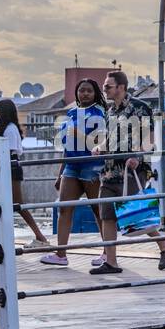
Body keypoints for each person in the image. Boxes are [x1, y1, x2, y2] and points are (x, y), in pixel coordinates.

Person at [92, 70, 165, 274]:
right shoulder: (110, 111)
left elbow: (150, 140)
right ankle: (111, 262)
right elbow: (111, 138)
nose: (104, 90)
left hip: (131, 170)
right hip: (110, 170)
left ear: (121, 87)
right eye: (104, 87)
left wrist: (137, 157)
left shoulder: (140, 108)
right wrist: (100, 147)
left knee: (133, 214)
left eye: (108, 86)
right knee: (107, 216)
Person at [41, 78, 107, 267]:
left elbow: (101, 143)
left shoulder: (100, 114)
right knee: (64, 208)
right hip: (71, 165)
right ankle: (61, 254)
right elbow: (66, 146)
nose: (84, 94)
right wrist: (60, 172)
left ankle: (107, 252)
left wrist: (80, 136)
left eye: (88, 91)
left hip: (92, 165)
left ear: (95, 93)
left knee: (98, 209)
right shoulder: (70, 114)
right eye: (81, 91)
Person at [0, 100, 48, 250]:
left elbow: (8, 150)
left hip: (11, 167)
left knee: (18, 205)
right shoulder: (7, 128)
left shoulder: (11, 129)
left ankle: (40, 237)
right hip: (4, 167)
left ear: (3, 112)